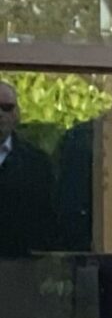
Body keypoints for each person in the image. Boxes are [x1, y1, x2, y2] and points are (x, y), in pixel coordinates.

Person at [0, 79, 60, 258]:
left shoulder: (37, 163)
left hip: (22, 267)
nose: (0, 114)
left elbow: (47, 221)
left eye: (7, 108)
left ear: (17, 114)